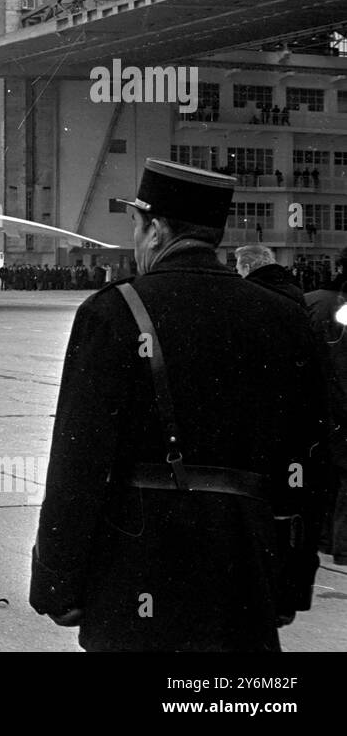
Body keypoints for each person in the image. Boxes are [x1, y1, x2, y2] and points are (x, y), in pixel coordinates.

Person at [31, 158, 330, 651]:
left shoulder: (113, 312)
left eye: (136, 224)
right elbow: (307, 464)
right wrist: (291, 581)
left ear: (156, 229)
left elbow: (77, 464)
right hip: (243, 572)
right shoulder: (285, 318)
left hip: (136, 571)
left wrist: (57, 582)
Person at [303, 247, 347, 567]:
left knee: (327, 472)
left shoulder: (313, 300)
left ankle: (325, 537)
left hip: (319, 401)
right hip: (339, 399)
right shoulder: (336, 306)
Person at [235, 244, 303, 304]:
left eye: (238, 269)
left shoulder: (246, 294)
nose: (238, 273)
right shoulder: (294, 290)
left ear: (247, 267)